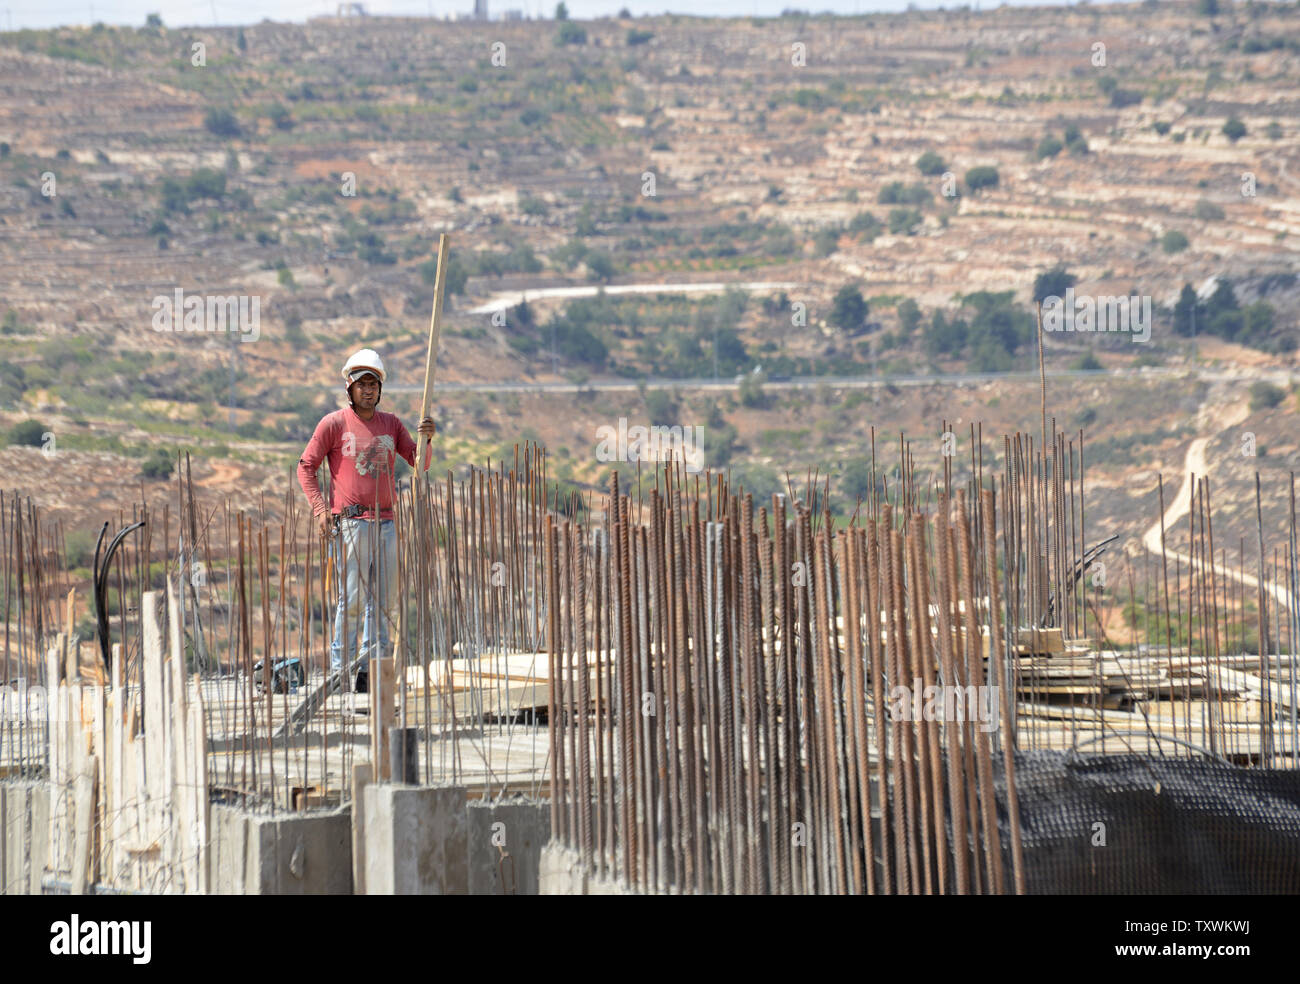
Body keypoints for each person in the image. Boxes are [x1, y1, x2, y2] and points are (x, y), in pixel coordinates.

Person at [297, 348, 434, 691]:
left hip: (386, 523)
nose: (368, 390)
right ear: (350, 389)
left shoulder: (391, 425)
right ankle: (342, 669)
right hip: (353, 523)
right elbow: (306, 467)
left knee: (383, 601)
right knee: (354, 599)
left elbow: (421, 463)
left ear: (380, 388)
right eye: (362, 384)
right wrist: (319, 508)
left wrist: (427, 439)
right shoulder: (334, 424)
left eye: (373, 384)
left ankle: (370, 669)